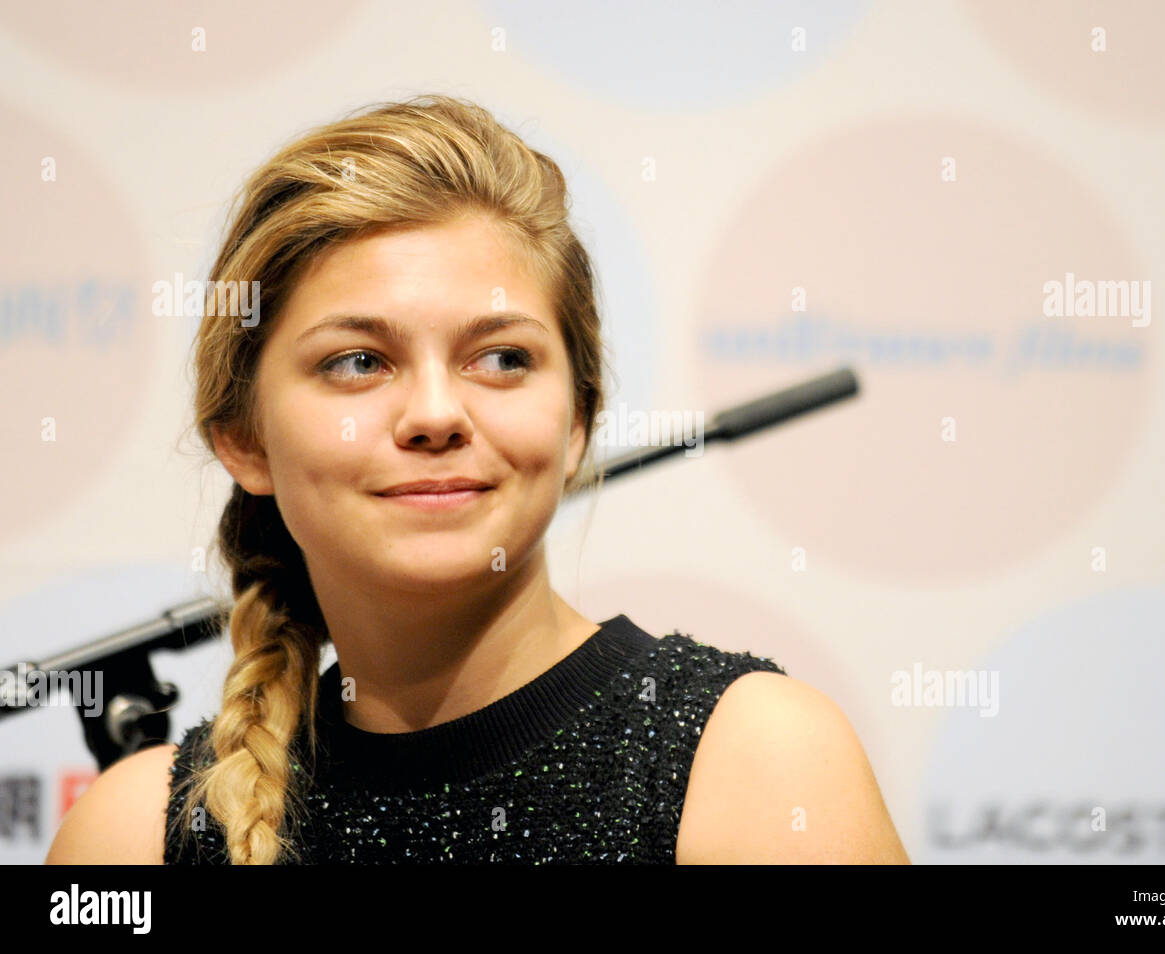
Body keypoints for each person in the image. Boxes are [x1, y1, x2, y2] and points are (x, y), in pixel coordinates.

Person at [44, 94, 909, 865]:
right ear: (243, 437)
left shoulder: (757, 764)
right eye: (357, 362)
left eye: (501, 358)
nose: (435, 413)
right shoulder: (134, 837)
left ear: (577, 421)